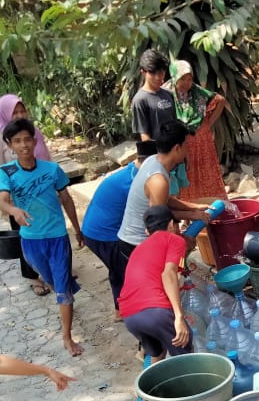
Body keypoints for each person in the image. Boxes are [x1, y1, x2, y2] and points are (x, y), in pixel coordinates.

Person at [0, 118, 85, 356]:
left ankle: (67, 336)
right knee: (52, 280)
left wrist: (77, 228)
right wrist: (14, 210)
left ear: (34, 141)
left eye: (27, 139)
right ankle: (64, 293)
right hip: (31, 241)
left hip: (57, 236)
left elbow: (66, 199)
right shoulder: (7, 172)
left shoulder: (52, 169)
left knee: (62, 287)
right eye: (17, 141)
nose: (23, 145)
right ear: (9, 145)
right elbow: (3, 200)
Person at [115, 120, 208, 270]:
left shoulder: (153, 160)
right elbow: (159, 219)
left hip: (136, 239)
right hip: (137, 243)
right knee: (157, 283)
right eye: (186, 146)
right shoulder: (158, 179)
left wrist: (195, 207)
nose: (188, 150)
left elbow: (165, 200)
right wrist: (192, 216)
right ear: (177, 148)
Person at [0, 94, 54, 296]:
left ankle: (52, 272)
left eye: (21, 111)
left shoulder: (33, 132)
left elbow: (46, 157)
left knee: (49, 231)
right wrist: (5, 199)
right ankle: (33, 277)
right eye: (14, 112)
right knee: (27, 237)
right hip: (19, 197)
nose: (19, 115)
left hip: (42, 192)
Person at [81, 140, 157, 314]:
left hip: (92, 230)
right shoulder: (137, 181)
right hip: (105, 234)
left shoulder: (131, 171)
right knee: (127, 271)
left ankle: (120, 309)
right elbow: (155, 213)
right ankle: (133, 311)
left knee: (118, 269)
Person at [118, 206, 192, 362]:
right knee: (187, 358)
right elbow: (169, 274)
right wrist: (179, 317)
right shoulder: (174, 239)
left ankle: (154, 385)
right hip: (155, 312)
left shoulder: (138, 249)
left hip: (129, 316)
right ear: (172, 224)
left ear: (147, 231)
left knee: (158, 354)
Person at [165, 59, 228, 201]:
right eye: (182, 79)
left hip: (202, 142)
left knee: (206, 173)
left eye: (189, 79)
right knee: (186, 176)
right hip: (183, 145)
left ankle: (211, 209)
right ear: (175, 78)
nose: (187, 83)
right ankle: (187, 216)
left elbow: (220, 100)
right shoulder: (167, 95)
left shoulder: (197, 91)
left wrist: (208, 123)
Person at [130, 49, 175, 142]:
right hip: (157, 154)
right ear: (143, 72)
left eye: (161, 72)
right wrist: (157, 156)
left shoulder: (169, 94)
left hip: (175, 151)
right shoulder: (140, 100)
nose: (158, 77)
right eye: (153, 73)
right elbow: (145, 136)